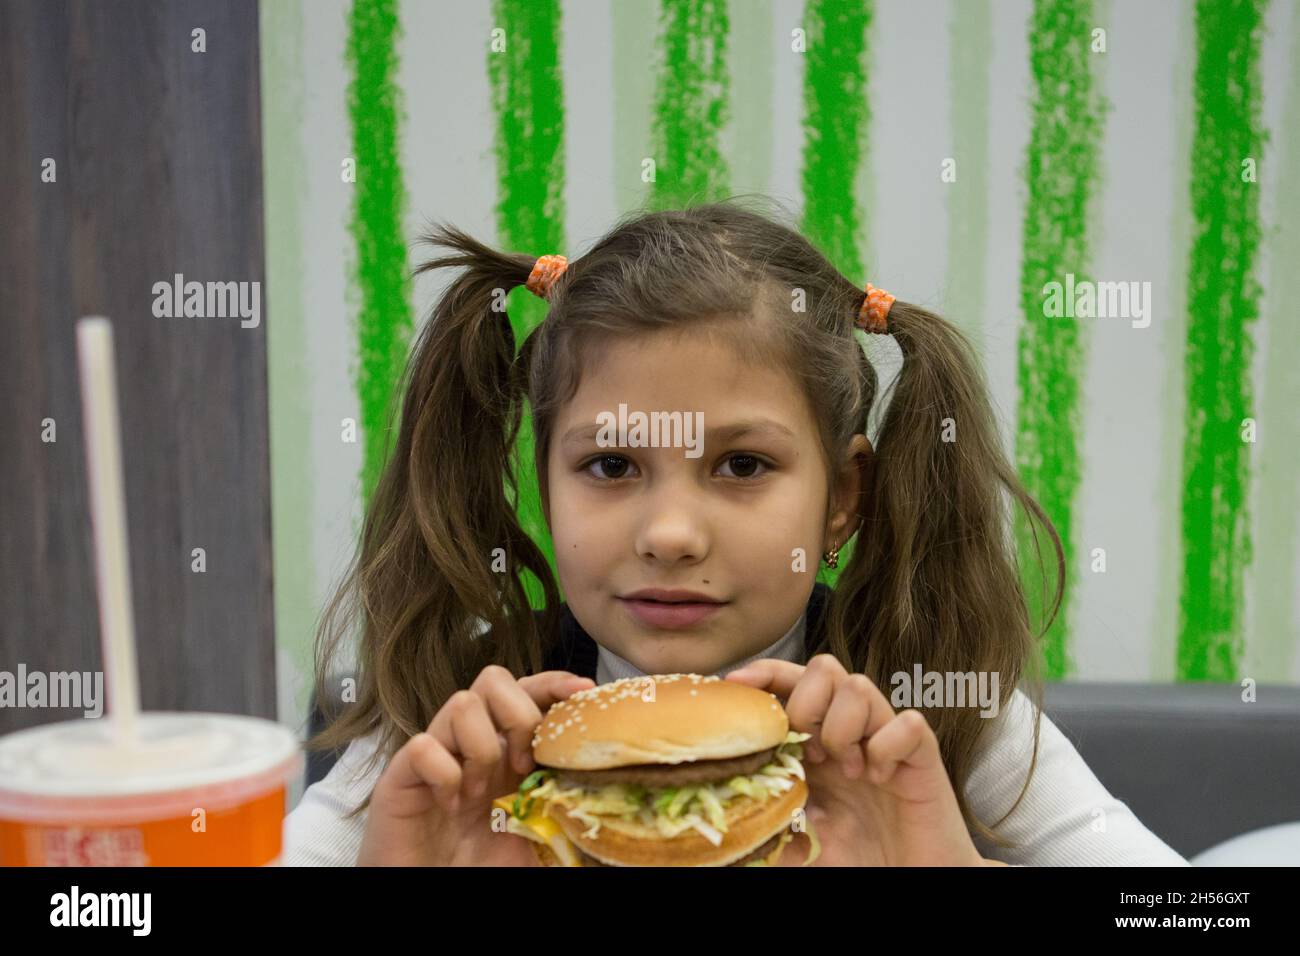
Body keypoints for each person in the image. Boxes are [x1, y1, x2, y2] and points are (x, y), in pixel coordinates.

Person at [284, 199, 1189, 867]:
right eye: (610, 466)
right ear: (547, 486)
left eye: (743, 466)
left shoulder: (938, 707)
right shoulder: (450, 728)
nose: (671, 533)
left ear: (842, 495)